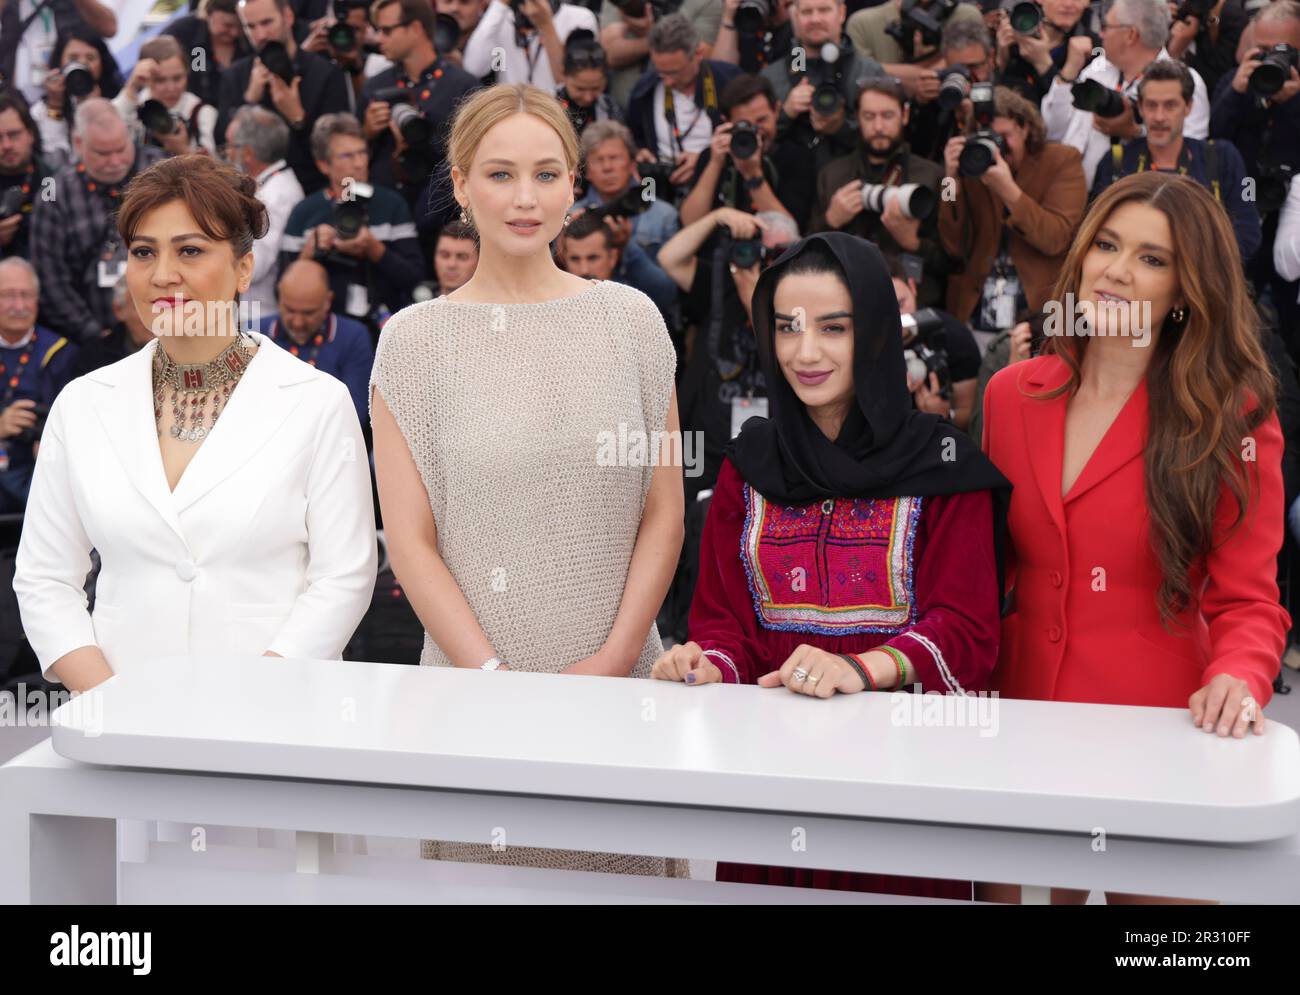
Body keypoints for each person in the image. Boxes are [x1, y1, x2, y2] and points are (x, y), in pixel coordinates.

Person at [370, 83, 684, 877]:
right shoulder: (413, 343)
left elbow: (663, 514)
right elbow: (409, 541)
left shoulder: (633, 322)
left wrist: (614, 662)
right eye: (501, 174)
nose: (525, 197)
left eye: (548, 174)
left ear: (575, 186)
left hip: (621, 695)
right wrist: (493, 681)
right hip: (474, 707)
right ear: (463, 182)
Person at [650, 231, 1009, 899]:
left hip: (904, 789)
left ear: (873, 333)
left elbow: (968, 630)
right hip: (771, 784)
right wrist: (703, 664)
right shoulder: (750, 465)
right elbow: (727, 626)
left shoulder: (944, 465)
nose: (804, 351)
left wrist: (858, 669)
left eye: (833, 328)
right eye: (785, 327)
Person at [981, 172, 1290, 903]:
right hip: (1016, 734)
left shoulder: (1232, 416)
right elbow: (981, 572)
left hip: (1159, 740)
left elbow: (1251, 600)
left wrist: (1238, 677)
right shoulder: (1009, 393)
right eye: (1108, 245)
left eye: (1152, 259)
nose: (1118, 270)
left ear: (1186, 289)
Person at [14, 153, 377, 693]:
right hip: (120, 727)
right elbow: (44, 578)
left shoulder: (316, 401)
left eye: (190, 250)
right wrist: (111, 701)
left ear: (243, 268)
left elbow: (343, 577)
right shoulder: (83, 403)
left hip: (276, 722)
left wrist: (253, 698)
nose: (163, 275)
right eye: (143, 252)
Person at [1091, 58, 1259, 264]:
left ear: (1188, 107)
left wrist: (1186, 264)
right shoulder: (1116, 160)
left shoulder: (1223, 156)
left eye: (1170, 105)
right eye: (1151, 105)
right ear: (1141, 108)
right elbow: (1093, 229)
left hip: (1203, 285)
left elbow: (1249, 234)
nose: (1159, 116)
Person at [29, 99, 165, 344]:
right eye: (103, 153)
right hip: (92, 340)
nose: (115, 161)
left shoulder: (161, 173)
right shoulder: (56, 196)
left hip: (169, 327)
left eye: (122, 149)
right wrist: (93, 334)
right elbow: (50, 280)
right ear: (79, 144)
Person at [0, 256, 77, 511]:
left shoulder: (60, 353)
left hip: (37, 470)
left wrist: (51, 438)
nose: (18, 305)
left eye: (26, 295)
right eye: (8, 295)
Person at [261, 258, 373, 428]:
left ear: (328, 301)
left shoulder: (353, 336)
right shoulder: (256, 333)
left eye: (308, 313)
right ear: (279, 295)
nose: (297, 322)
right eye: (290, 310)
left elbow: (354, 414)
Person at [225, 105, 305, 320]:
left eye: (232, 146)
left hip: (257, 317)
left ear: (248, 153)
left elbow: (255, 266)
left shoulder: (275, 196)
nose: (227, 153)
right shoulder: (269, 186)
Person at [112, 35, 220, 158]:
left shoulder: (201, 112)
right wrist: (132, 87)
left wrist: (183, 149)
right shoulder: (133, 106)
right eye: (160, 80)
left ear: (187, 72)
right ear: (146, 78)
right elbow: (107, 127)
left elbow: (216, 169)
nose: (171, 88)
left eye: (177, 78)